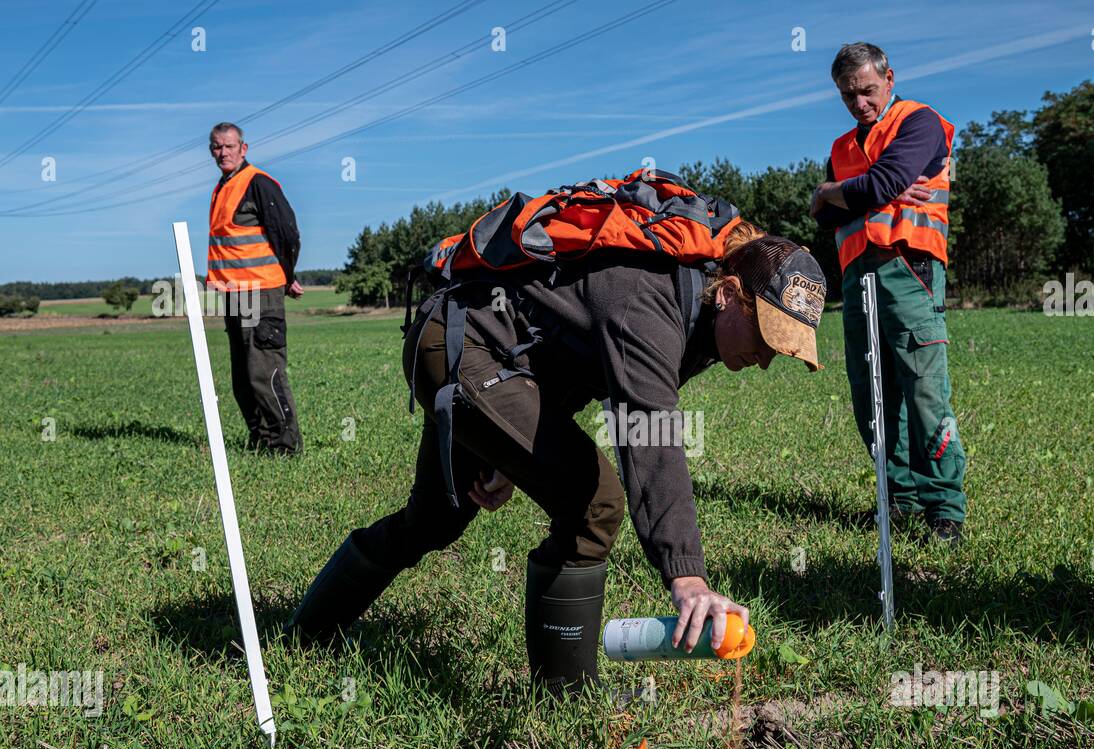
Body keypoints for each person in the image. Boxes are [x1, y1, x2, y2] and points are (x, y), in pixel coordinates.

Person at [287, 219, 827, 696]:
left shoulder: (700, 321)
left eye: (780, 348)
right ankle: (565, 696)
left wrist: (508, 450)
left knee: (435, 518)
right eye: (765, 337)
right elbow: (649, 432)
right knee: (595, 503)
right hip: (458, 346)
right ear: (730, 293)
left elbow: (575, 360)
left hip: (499, 359)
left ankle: (304, 634)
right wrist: (687, 576)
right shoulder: (651, 300)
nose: (763, 360)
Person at [810, 42, 967, 543]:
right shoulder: (841, 148)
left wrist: (838, 190)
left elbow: (884, 183)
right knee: (872, 394)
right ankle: (897, 499)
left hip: (911, 267)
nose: (859, 103)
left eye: (867, 90)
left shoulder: (918, 122)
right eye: (848, 95)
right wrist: (845, 194)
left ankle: (944, 509)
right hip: (857, 276)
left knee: (923, 391)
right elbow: (825, 214)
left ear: (890, 78)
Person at [206, 121, 304, 455]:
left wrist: (287, 275)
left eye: (229, 146)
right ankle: (261, 440)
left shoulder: (258, 183)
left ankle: (285, 446)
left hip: (260, 293)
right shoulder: (223, 187)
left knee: (265, 373)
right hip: (233, 294)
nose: (223, 152)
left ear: (243, 148)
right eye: (217, 147)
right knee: (243, 378)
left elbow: (287, 234)